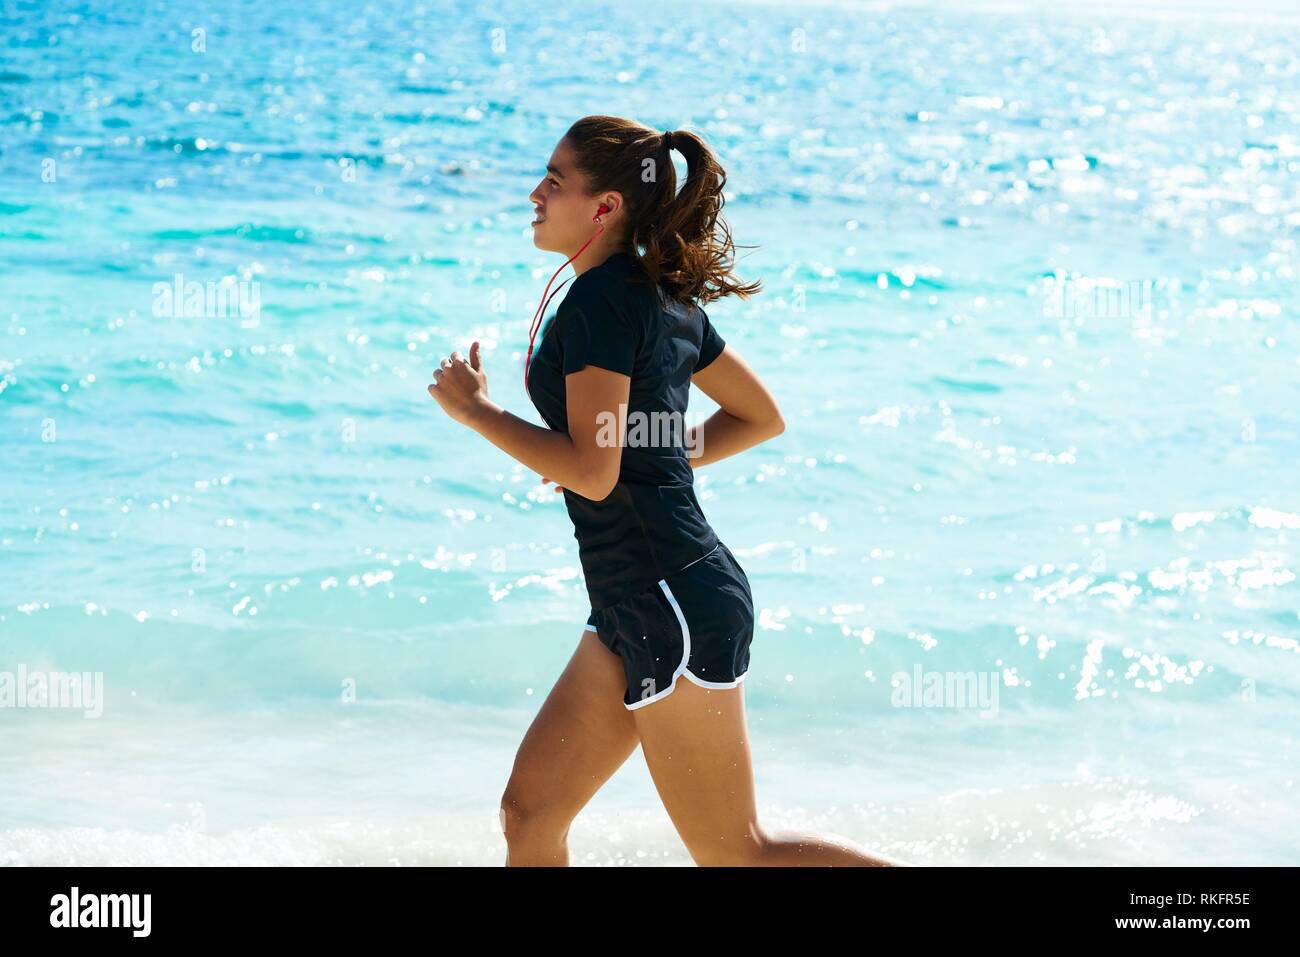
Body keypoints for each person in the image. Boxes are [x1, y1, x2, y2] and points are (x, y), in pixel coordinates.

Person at [427, 115, 905, 867]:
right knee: (530, 811)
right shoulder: (655, 296)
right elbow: (755, 418)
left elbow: (594, 469)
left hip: (670, 601)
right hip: (638, 599)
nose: (535, 192)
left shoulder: (603, 303)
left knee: (739, 854)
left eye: (555, 180)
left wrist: (477, 412)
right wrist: (635, 460)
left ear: (607, 205)